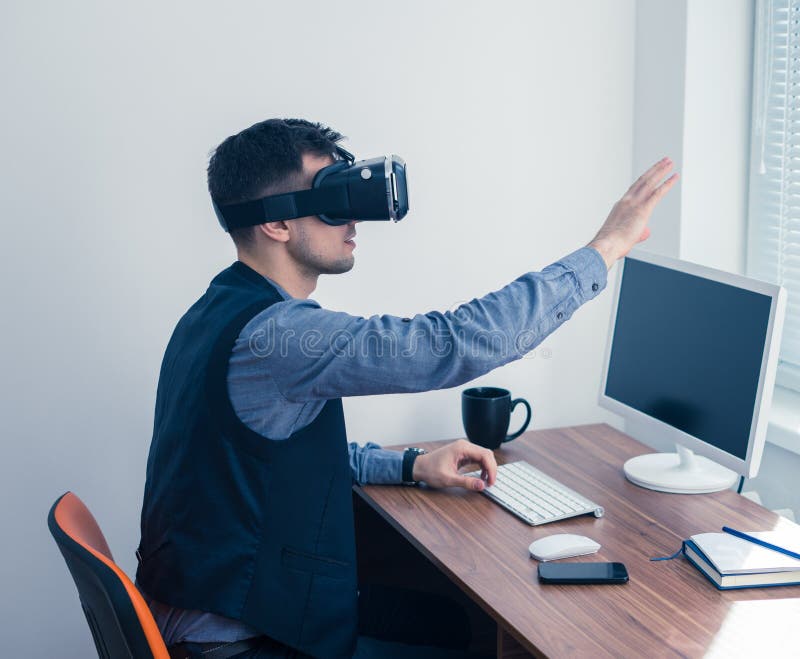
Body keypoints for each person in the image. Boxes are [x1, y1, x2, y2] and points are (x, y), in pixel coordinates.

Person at [136, 118, 678, 659]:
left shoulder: (216, 311)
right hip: (240, 640)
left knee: (456, 623)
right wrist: (605, 248)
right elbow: (453, 343)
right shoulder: (280, 338)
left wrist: (411, 465)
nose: (353, 218)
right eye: (333, 200)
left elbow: (276, 463)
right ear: (276, 223)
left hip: (221, 608)